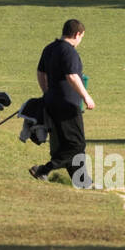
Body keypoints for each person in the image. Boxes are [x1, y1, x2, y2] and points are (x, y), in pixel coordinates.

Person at [30, 19, 96, 187]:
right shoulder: (69, 51)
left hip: (52, 102)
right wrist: (86, 96)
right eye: (82, 36)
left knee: (70, 144)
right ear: (77, 34)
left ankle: (82, 182)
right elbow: (72, 76)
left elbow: (40, 72)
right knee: (77, 144)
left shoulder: (50, 48)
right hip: (67, 105)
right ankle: (43, 170)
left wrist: (47, 92)